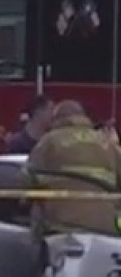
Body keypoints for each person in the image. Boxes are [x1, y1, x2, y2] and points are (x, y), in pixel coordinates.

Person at [23, 99, 121, 236]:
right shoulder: (108, 143)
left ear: (56, 119)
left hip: (62, 225)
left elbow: (26, 178)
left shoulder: (50, 141)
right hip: (105, 227)